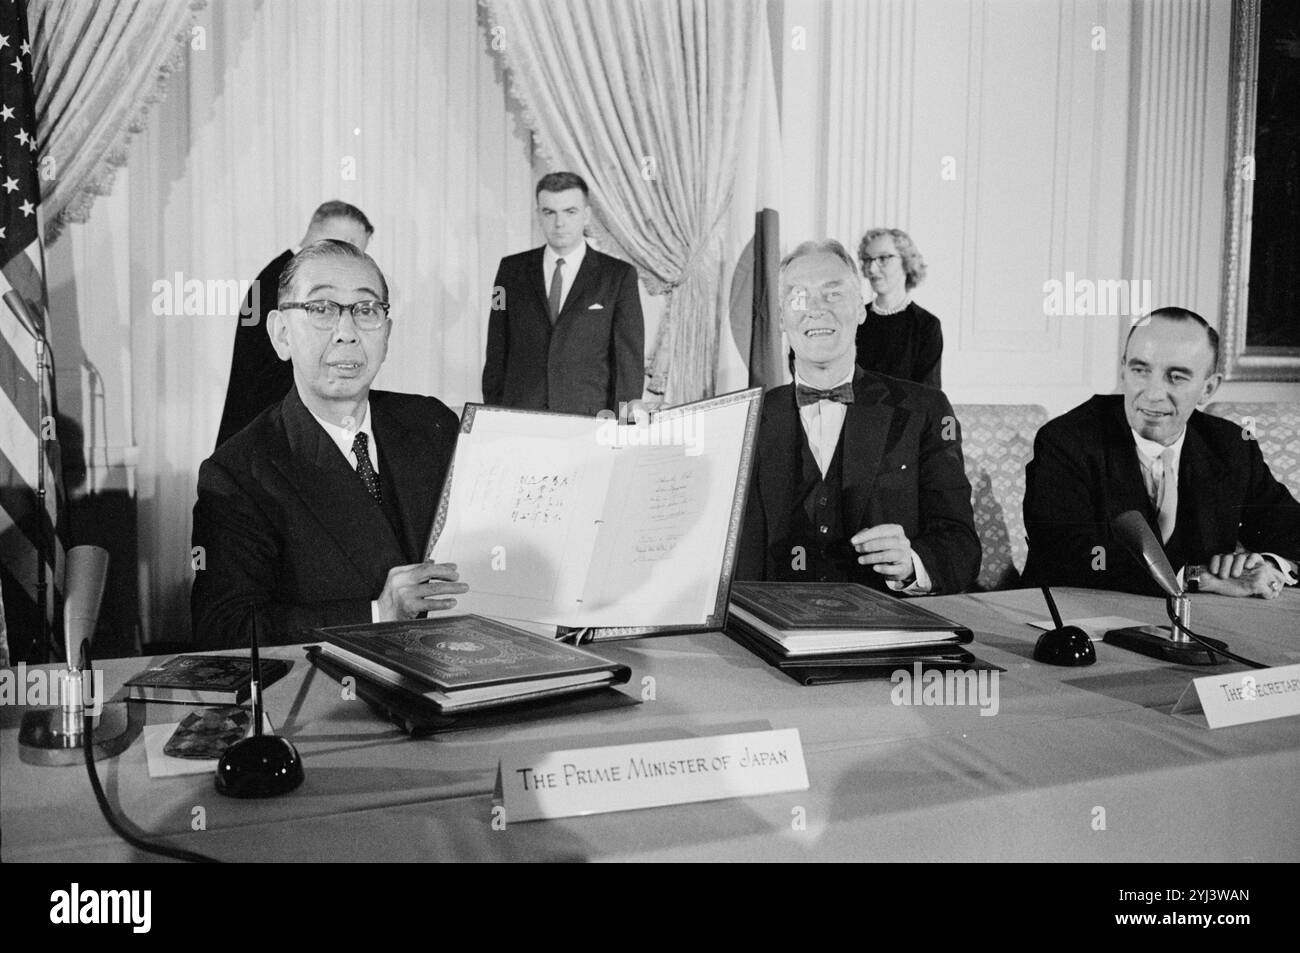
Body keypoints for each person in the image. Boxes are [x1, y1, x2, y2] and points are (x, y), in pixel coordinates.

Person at [192, 240, 467, 648]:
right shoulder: (238, 473)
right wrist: (378, 613)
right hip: (332, 696)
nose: (347, 333)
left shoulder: (433, 423)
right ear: (281, 335)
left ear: (386, 334)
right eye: (321, 310)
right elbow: (225, 629)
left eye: (366, 310)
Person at [735, 240, 981, 594]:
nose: (816, 309)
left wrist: (913, 562)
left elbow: (961, 545)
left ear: (861, 309)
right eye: (799, 297)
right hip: (768, 633)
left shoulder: (925, 411)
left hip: (884, 633)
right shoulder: (742, 419)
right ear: (780, 318)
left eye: (833, 294)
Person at [1023, 307, 1300, 598]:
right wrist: (1194, 577)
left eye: (1176, 377)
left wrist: (1265, 564)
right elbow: (1074, 553)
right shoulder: (1067, 439)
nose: (1153, 393)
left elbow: (1292, 528)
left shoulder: (1230, 445)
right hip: (1076, 617)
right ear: (1123, 370)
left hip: (1200, 625)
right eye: (1140, 370)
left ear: (1208, 388)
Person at [481, 172, 644, 415]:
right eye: (549, 212)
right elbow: (496, 346)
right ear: (539, 215)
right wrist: (494, 413)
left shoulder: (619, 276)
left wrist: (621, 424)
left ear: (586, 215)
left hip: (589, 420)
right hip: (520, 418)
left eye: (570, 212)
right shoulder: (509, 271)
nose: (559, 223)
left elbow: (628, 362)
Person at [214, 201, 374, 448]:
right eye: (355, 253)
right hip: (261, 443)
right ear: (344, 242)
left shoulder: (280, 274)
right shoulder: (290, 282)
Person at [854, 227, 943, 388]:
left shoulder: (926, 325)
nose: (872, 269)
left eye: (883, 258)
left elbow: (929, 395)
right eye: (868, 259)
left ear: (906, 261)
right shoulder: (854, 320)